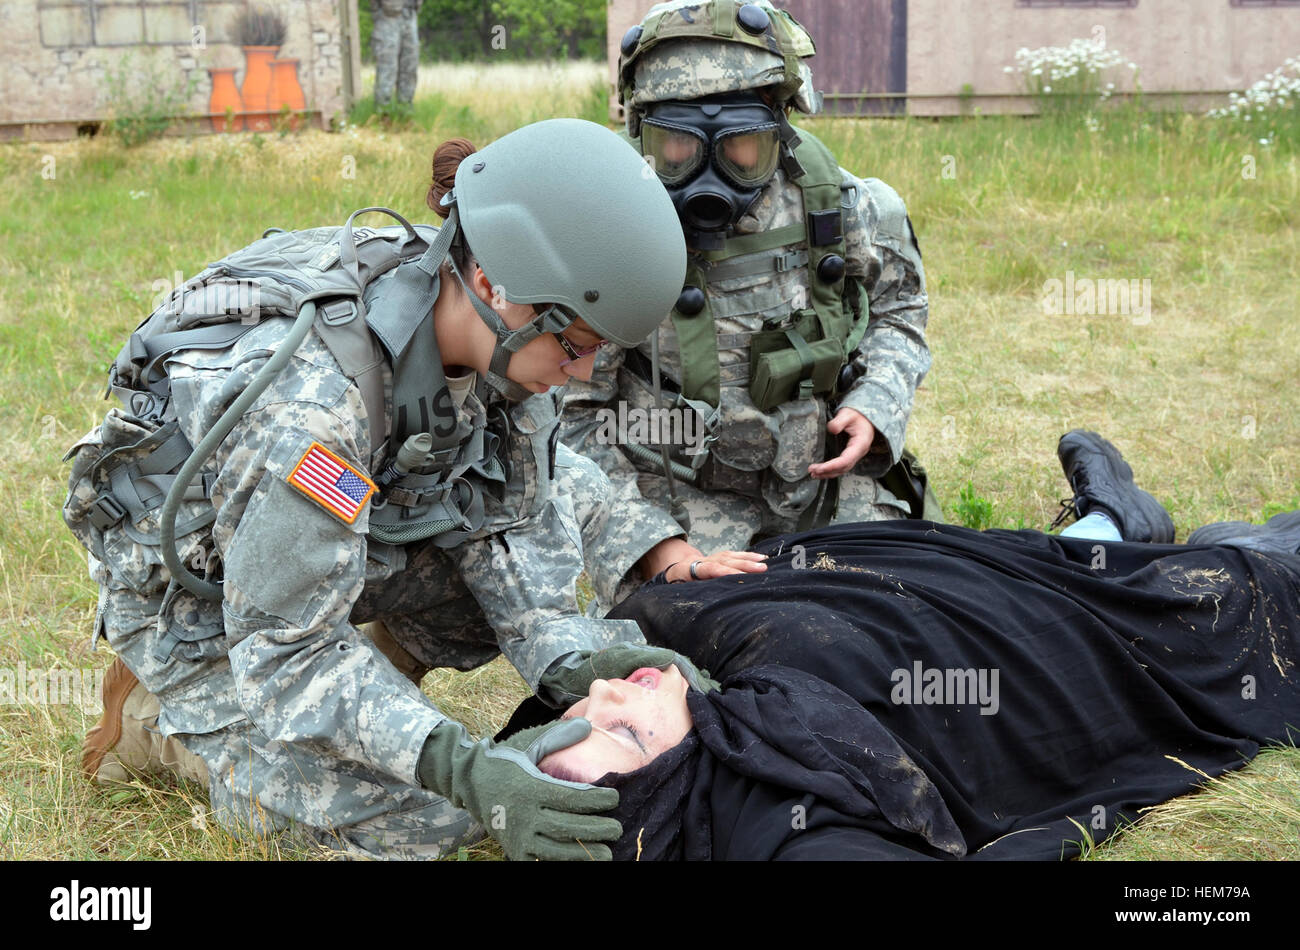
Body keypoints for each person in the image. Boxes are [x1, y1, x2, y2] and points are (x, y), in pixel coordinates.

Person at [63, 118, 750, 861]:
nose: (582, 373)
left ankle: (362, 704)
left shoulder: (506, 342)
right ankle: (162, 720)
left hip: (331, 549)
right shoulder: (318, 411)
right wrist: (461, 768)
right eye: (576, 347)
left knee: (479, 614)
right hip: (201, 603)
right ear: (494, 285)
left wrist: (579, 660)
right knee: (410, 823)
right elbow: (287, 651)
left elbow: (510, 524)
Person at [496, 432, 1300, 859]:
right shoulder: (775, 812)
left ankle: (1112, 529)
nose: (609, 693)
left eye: (580, 712)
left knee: (929, 558)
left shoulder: (638, 660)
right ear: (667, 792)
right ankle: (1182, 554)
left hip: (851, 578)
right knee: (1219, 595)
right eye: (628, 732)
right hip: (999, 654)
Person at [559, 0, 933, 560]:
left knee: (899, 601)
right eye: (678, 147)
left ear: (779, 130)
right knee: (695, 631)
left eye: (741, 148)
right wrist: (653, 546)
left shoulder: (842, 207)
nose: (710, 177)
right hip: (677, 492)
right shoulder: (611, 239)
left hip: (822, 478)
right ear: (643, 137)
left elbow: (900, 310)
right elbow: (574, 418)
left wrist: (875, 403)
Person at [372, 0, 422, 110]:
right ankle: (383, 112)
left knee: (410, 66)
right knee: (387, 67)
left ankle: (405, 110)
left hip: (410, 14)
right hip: (387, 16)